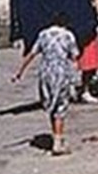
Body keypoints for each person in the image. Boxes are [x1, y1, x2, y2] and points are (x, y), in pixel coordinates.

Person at [14, 11, 80, 155]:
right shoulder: (68, 36)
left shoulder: (43, 35)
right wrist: (75, 80)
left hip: (46, 73)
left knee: (51, 105)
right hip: (62, 73)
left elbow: (31, 54)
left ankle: (57, 137)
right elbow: (74, 58)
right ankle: (57, 143)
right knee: (60, 108)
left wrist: (20, 72)